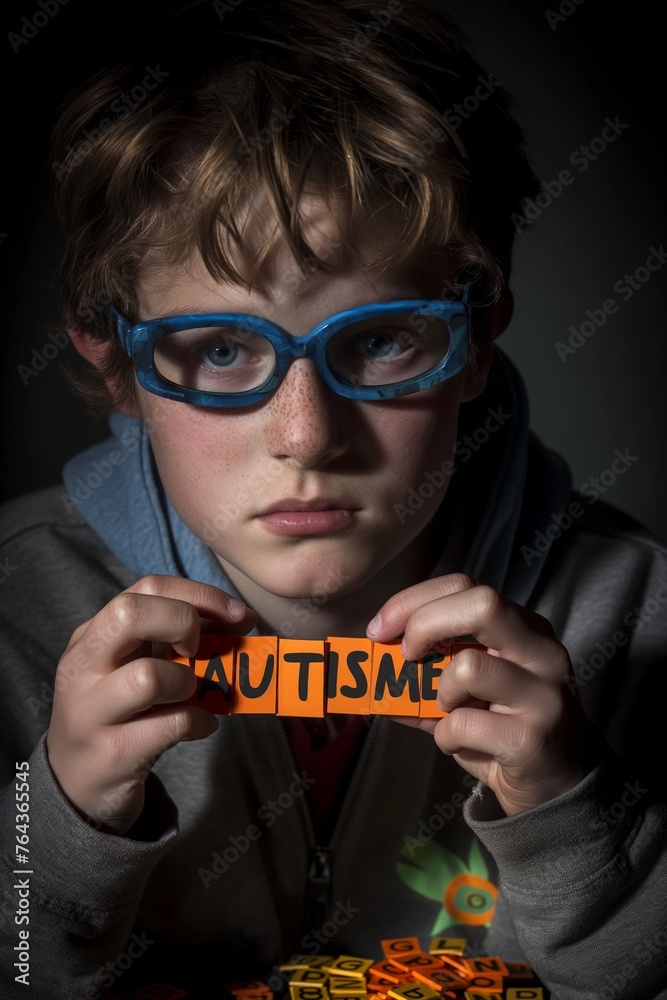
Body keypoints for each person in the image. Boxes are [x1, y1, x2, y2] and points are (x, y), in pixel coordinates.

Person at [1, 1, 665, 997]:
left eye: (380, 340)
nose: (307, 435)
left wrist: (572, 809)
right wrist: (56, 827)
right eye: (221, 351)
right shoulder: (11, 614)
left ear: (476, 339)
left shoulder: (641, 613)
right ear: (113, 359)